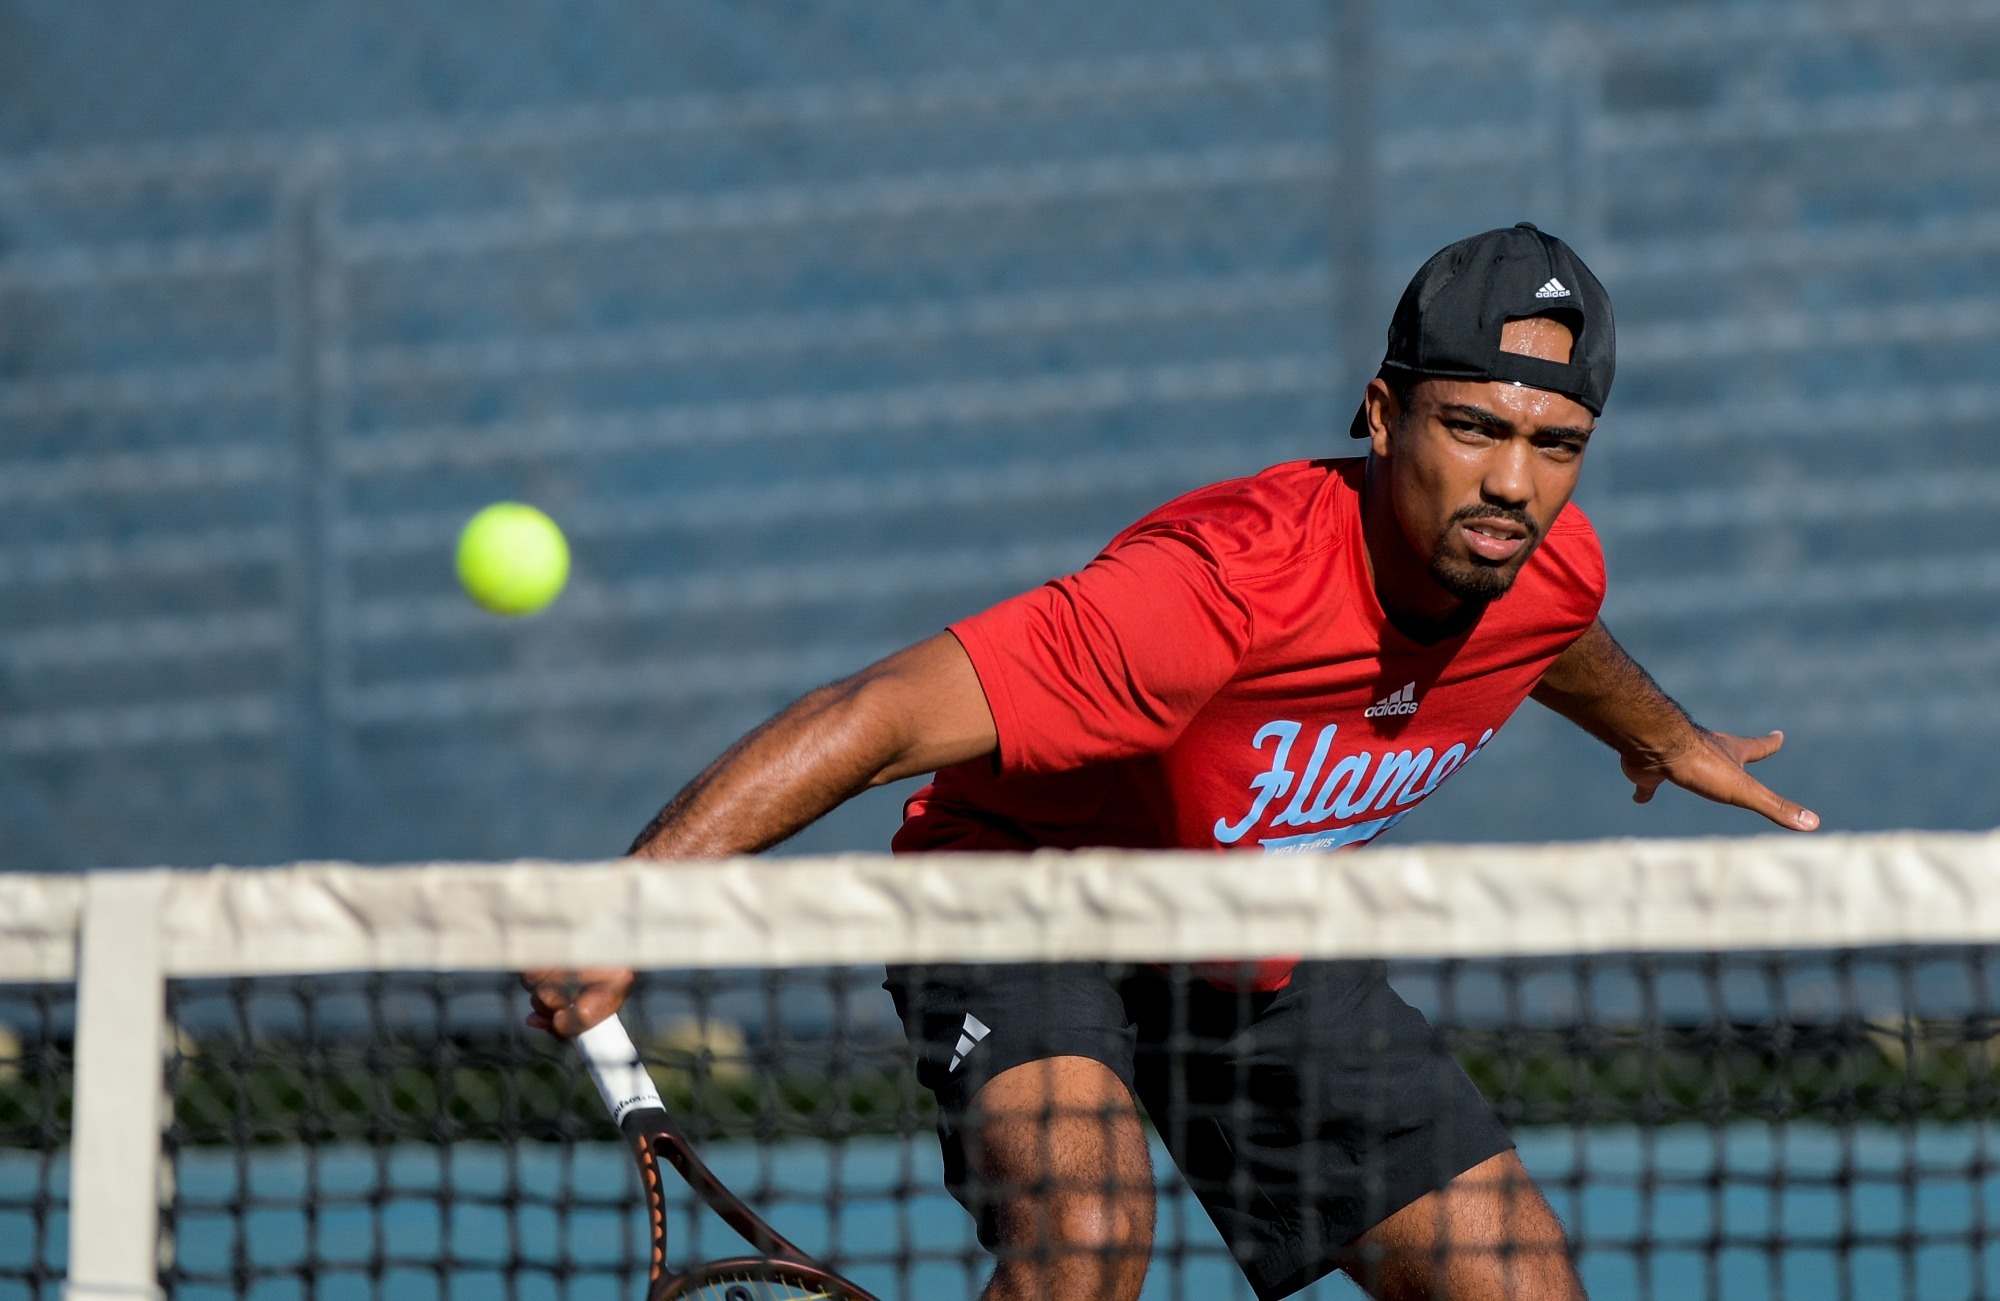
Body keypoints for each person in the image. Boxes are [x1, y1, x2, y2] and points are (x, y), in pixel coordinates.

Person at [524, 224, 1818, 1301]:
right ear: (1383, 414)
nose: (1512, 484)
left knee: (1520, 1284)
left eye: (1554, 448)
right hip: (1030, 898)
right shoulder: (1212, 593)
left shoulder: (1545, 561)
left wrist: (1665, 738)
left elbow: (1561, 633)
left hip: (1244, 935)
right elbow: (878, 713)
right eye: (1474, 429)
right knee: (1086, 1245)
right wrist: (638, 898)